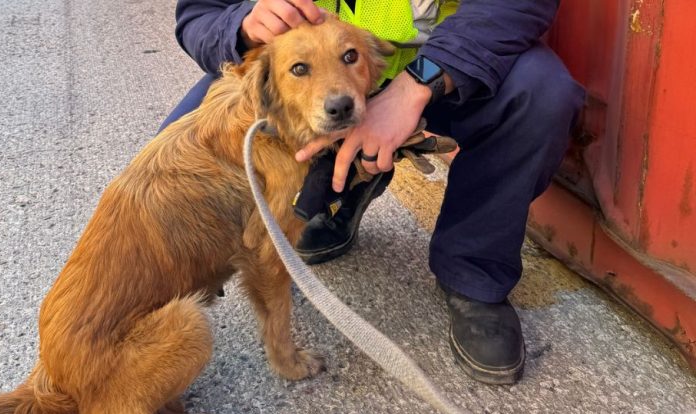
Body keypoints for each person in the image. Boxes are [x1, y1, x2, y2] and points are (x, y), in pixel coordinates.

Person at [161, 0, 586, 385]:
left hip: (440, 70)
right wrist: (241, 24)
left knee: (540, 92)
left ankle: (474, 274)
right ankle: (343, 191)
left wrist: (417, 84)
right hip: (307, 88)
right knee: (174, 178)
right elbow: (200, 12)